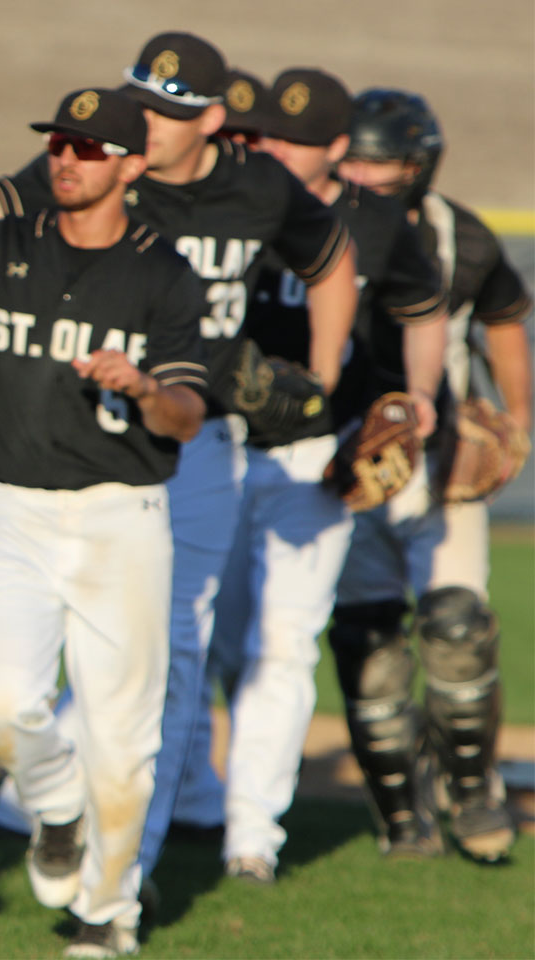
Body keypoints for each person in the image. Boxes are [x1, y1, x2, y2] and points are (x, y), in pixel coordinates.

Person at [0, 31, 356, 886]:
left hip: (193, 436)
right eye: (144, 100)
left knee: (173, 645)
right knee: (57, 658)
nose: (149, 120)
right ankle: (53, 804)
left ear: (211, 119)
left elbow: (332, 261)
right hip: (73, 432)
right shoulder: (96, 159)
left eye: (169, 110)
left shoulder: (258, 185)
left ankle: (127, 867)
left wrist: (321, 376)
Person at [0, 88, 207, 957]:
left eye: (89, 147)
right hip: (14, 512)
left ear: (132, 166)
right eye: (59, 142)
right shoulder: (10, 242)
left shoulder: (164, 272)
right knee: (3, 706)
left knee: (123, 748)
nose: (66, 157)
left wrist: (142, 387)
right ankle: (55, 811)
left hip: (121, 521)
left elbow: (185, 416)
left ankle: (106, 914)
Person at [198, 67, 447, 884]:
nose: (271, 144)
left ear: (337, 151)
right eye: (266, 130)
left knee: (286, 645)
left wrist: (419, 392)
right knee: (206, 636)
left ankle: (252, 839)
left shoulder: (374, 220)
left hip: (314, 454)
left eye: (294, 138)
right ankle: (193, 797)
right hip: (212, 444)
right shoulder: (228, 198)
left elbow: (421, 305)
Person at [329, 87, 530, 864]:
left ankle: (474, 795)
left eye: (377, 159)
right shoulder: (316, 220)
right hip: (344, 468)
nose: (360, 170)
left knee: (455, 627)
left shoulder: (461, 236)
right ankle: (401, 816)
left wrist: (516, 419)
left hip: (439, 467)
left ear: (417, 165)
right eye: (353, 156)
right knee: (367, 640)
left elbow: (505, 319)